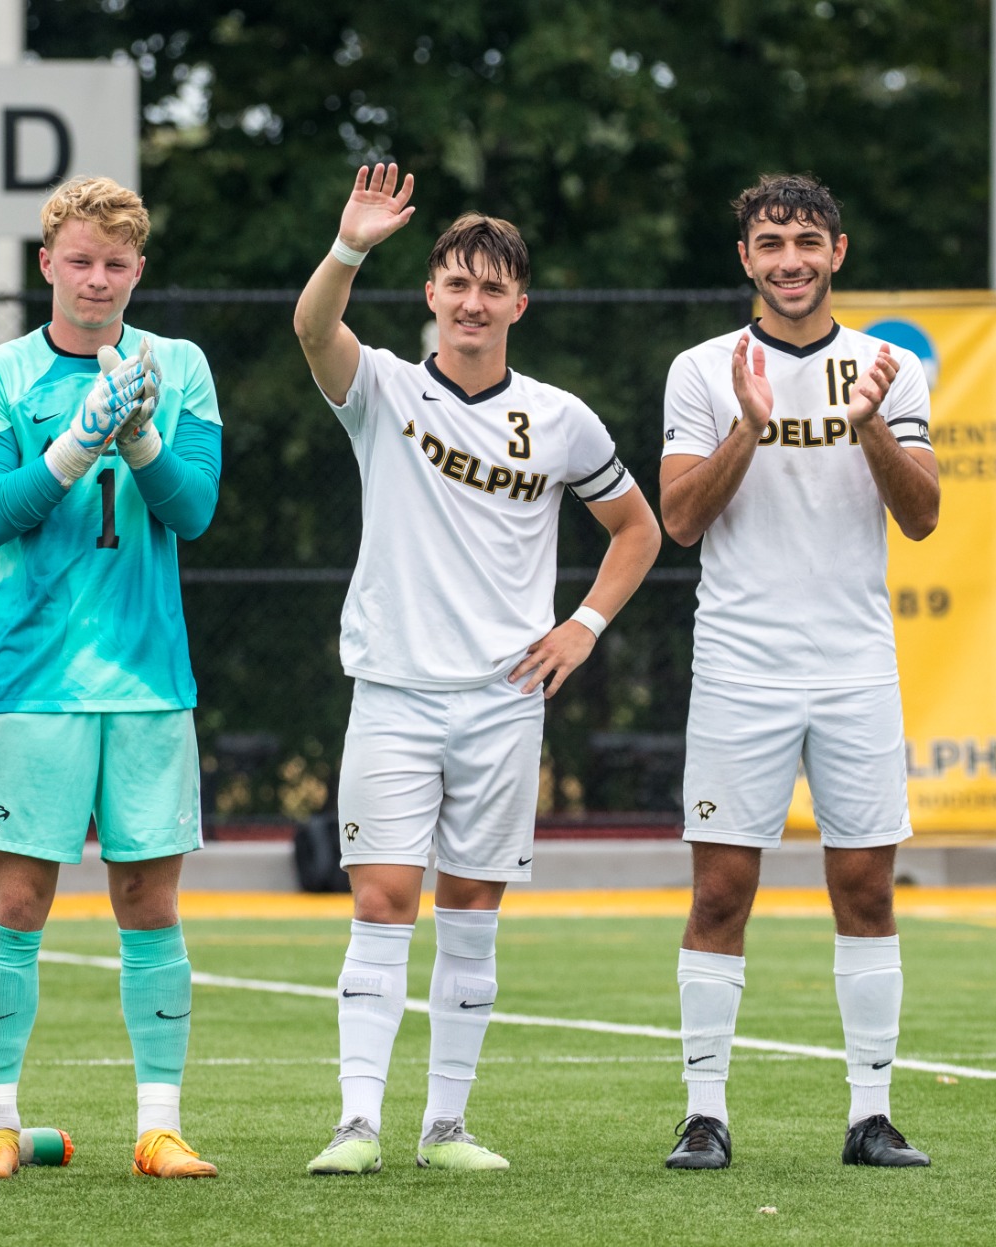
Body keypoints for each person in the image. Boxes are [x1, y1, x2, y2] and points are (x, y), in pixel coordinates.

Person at [293, 165, 659, 1175]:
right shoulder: (383, 389)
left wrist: (583, 625)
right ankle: (356, 1123)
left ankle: (445, 1126)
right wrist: (349, 245)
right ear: (430, 293)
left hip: (504, 701)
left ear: (518, 305)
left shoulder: (560, 417)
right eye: (456, 282)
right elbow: (313, 329)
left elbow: (637, 529)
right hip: (394, 692)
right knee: (380, 902)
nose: (471, 301)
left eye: (492, 288)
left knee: (470, 915)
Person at [656, 173, 940, 1172]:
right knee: (720, 890)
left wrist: (868, 424)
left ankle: (871, 1114)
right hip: (741, 662)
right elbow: (679, 519)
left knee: (865, 886)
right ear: (745, 258)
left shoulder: (889, 367)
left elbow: (922, 516)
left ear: (837, 252)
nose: (790, 259)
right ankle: (704, 1114)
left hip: (855, 661)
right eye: (771, 243)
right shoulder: (703, 367)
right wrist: (748, 422)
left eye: (807, 241)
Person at [0, 176, 222, 1182]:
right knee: (16, 900)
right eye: (79, 260)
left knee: (149, 901)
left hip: (149, 681)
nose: (96, 278)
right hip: (35, 679)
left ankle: (159, 1126)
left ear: (137, 270)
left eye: (115, 263)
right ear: (46, 264)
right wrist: (76, 441)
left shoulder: (180, 366)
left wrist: (140, 435)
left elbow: (193, 511)